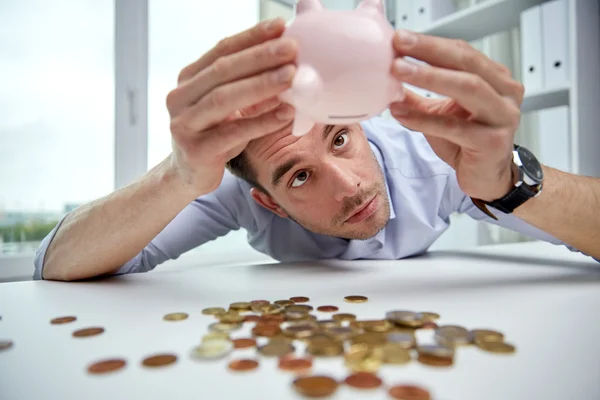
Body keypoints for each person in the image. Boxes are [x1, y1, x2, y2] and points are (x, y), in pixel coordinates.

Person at [34, 18, 600, 281]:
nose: (350, 184)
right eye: (298, 177)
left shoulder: (433, 154)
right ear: (269, 203)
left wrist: (507, 184)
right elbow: (56, 267)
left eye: (339, 138)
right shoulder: (235, 189)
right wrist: (179, 177)